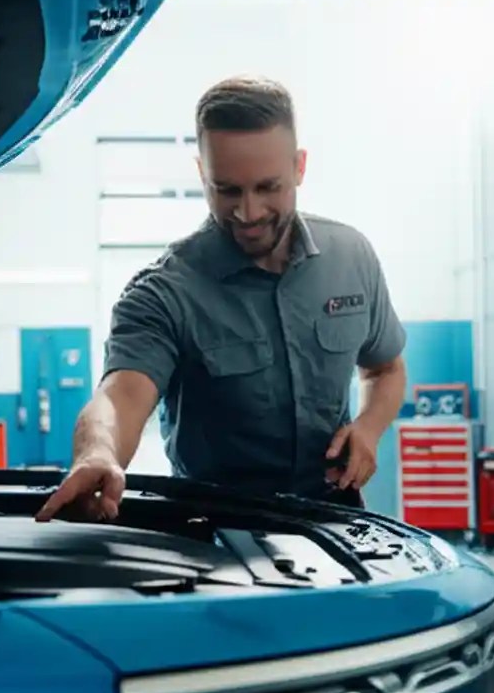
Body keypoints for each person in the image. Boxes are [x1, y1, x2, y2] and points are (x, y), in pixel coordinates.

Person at [36, 75, 407, 522]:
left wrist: (369, 428)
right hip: (213, 532)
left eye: (268, 187)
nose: (248, 214)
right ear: (201, 174)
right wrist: (96, 452)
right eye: (227, 190)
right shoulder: (164, 293)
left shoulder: (351, 257)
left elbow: (385, 368)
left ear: (299, 167)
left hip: (331, 524)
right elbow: (121, 396)